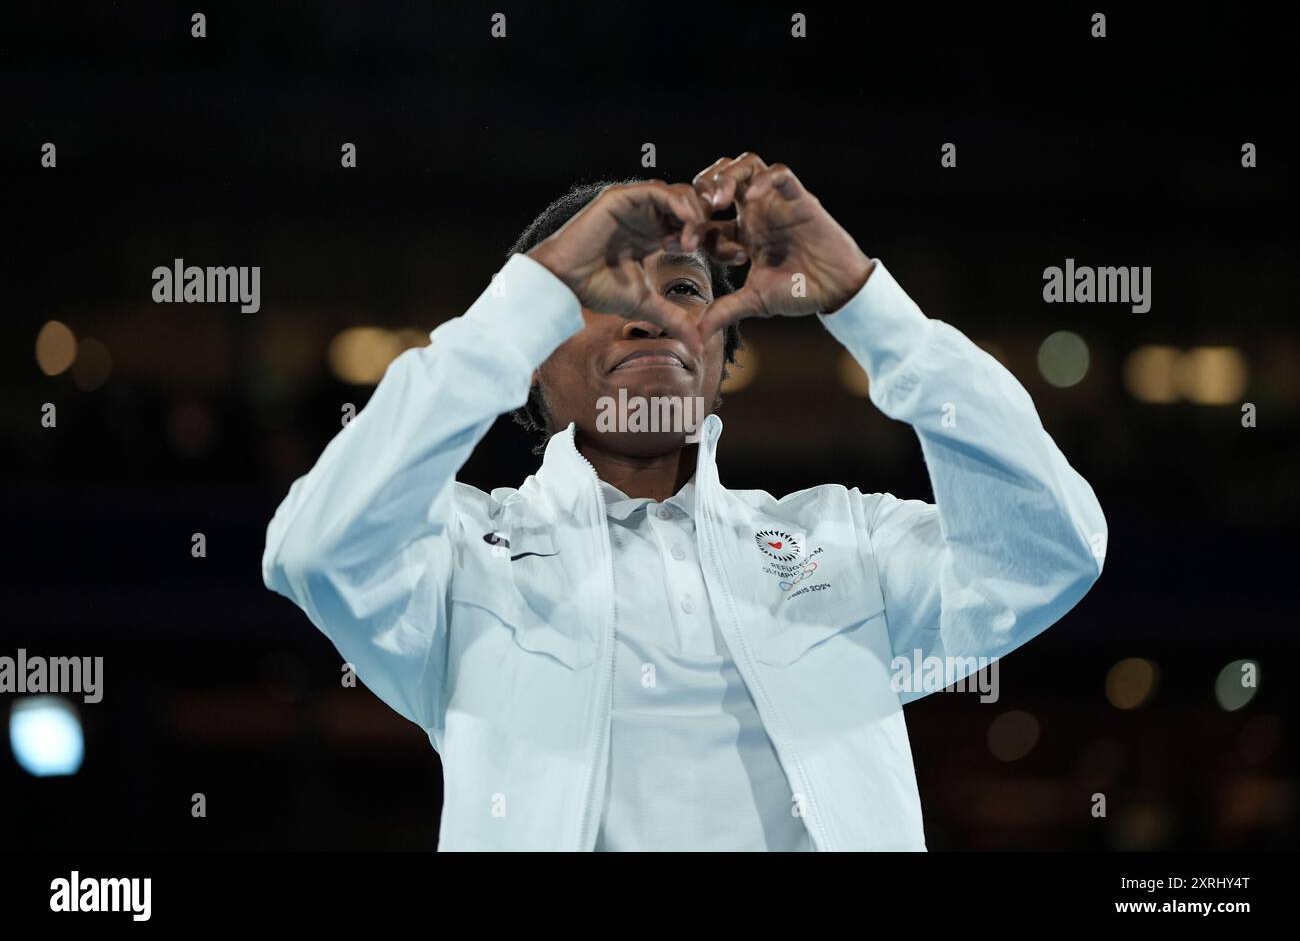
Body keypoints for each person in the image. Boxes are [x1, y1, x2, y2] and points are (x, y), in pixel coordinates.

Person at [261, 153, 1107, 851]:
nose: (650, 317)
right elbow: (314, 549)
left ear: (722, 354)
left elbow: (1048, 552)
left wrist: (865, 303)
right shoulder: (463, 555)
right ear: (529, 356)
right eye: (599, 295)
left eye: (687, 290)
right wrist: (527, 292)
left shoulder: (845, 542)